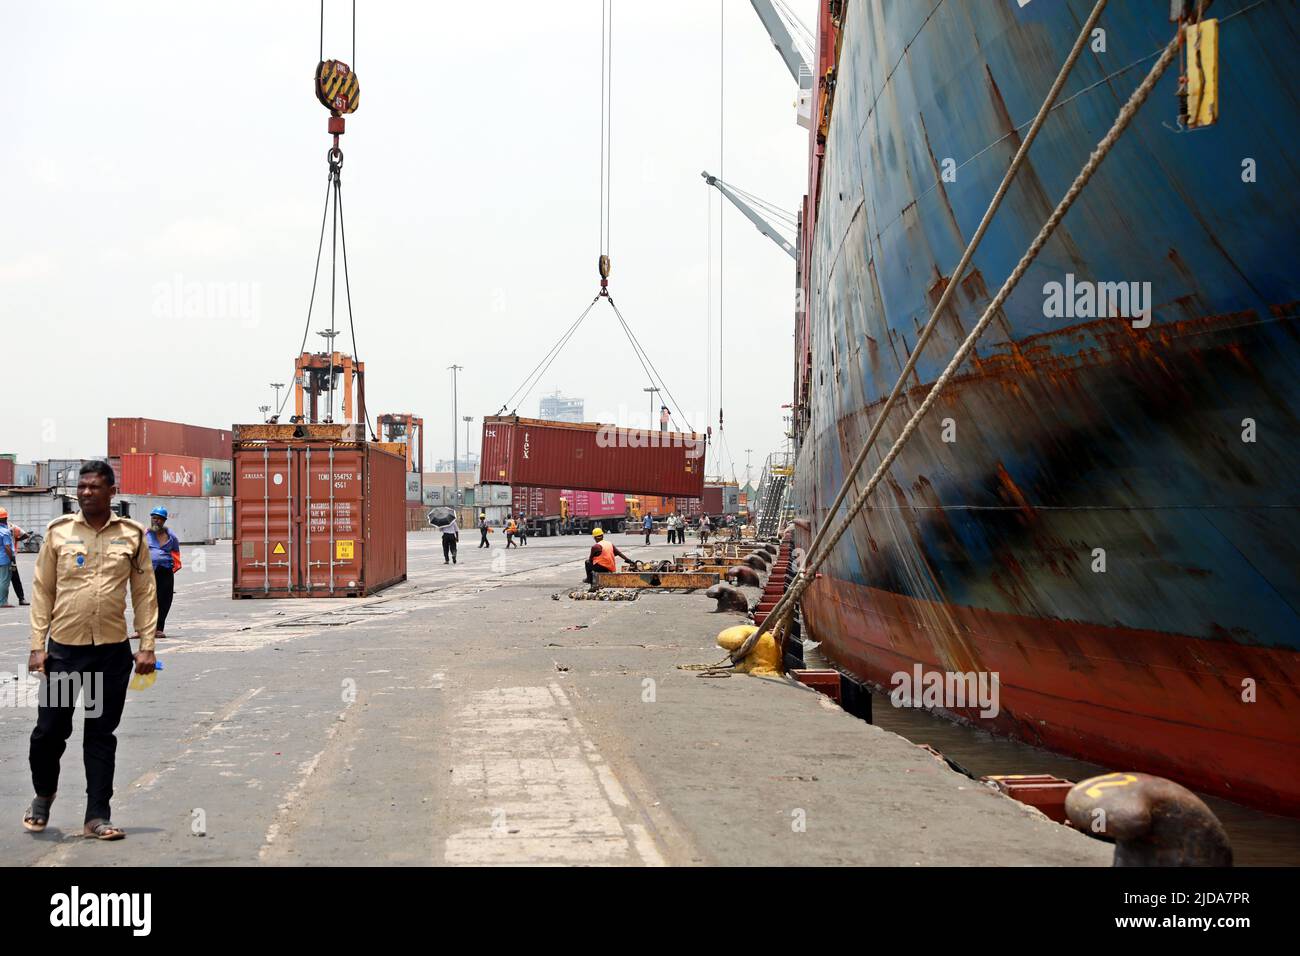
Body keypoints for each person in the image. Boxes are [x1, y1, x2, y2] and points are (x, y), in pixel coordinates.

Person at [24, 460, 157, 841]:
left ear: (111, 492)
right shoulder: (58, 533)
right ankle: (44, 793)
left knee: (100, 734)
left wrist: (146, 646)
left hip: (110, 654)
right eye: (81, 487)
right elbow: (42, 592)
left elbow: (144, 594)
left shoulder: (131, 535)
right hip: (66, 652)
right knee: (49, 732)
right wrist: (38, 645)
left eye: (94, 487)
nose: (85, 493)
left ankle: (97, 815)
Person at [145, 506, 181, 639]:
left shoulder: (171, 536)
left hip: (165, 570)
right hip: (148, 570)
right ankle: (141, 630)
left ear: (164, 520)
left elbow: (176, 552)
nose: (156, 521)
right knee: (145, 599)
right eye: (154, 518)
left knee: (164, 599)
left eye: (160, 519)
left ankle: (159, 628)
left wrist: (174, 566)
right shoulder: (144, 534)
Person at [0, 508, 14, 608]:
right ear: (5, 519)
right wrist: (11, 558)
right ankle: (3, 602)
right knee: (4, 580)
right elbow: (7, 547)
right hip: (4, 560)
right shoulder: (5, 532)